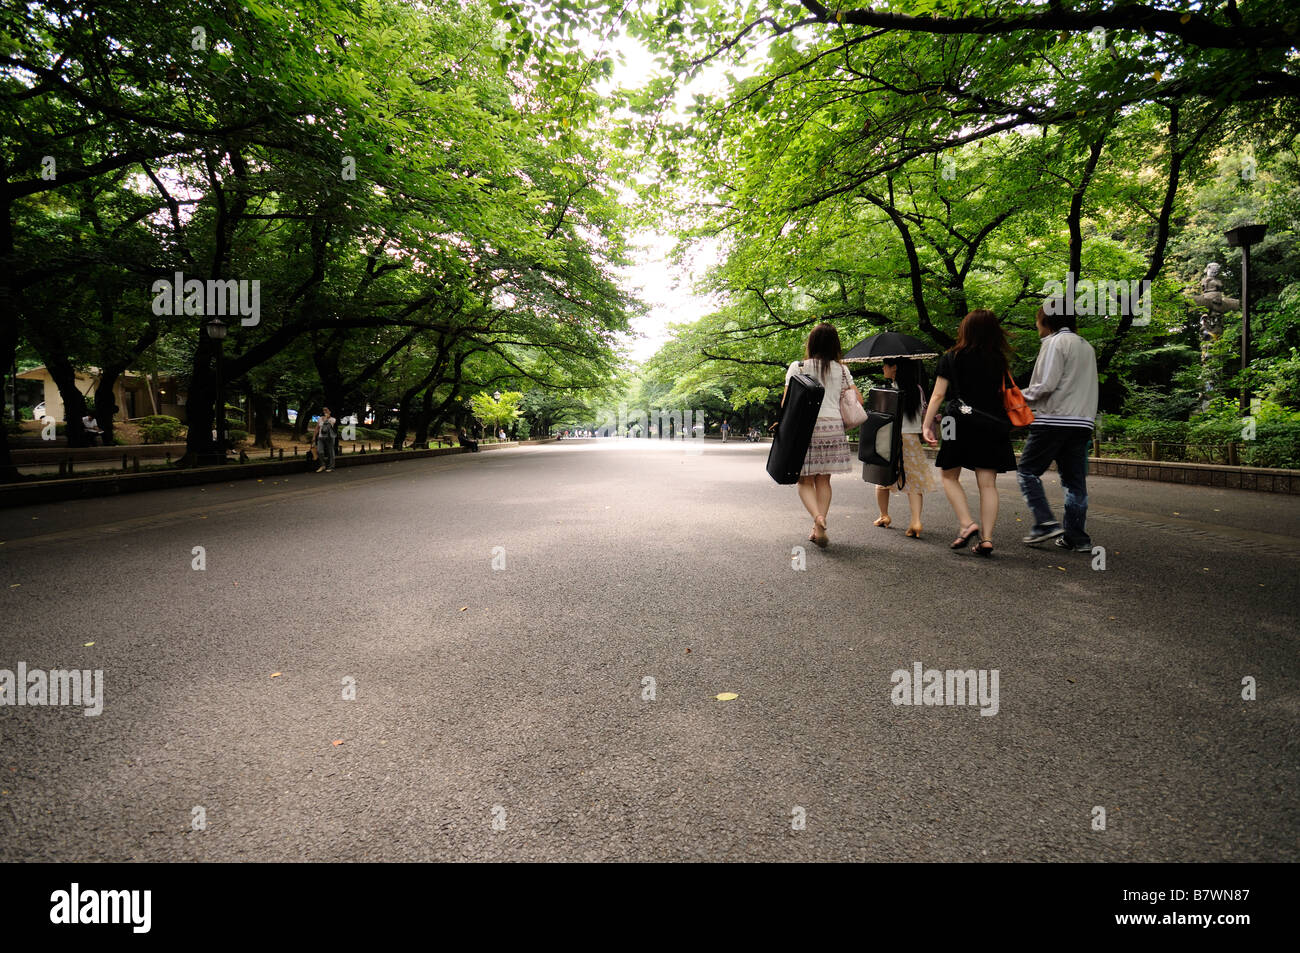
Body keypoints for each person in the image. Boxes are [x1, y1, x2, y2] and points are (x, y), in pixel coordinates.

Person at [921, 310, 1017, 556]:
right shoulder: (998, 360)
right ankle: (986, 539)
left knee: (948, 474)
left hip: (955, 421)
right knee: (988, 484)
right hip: (992, 422)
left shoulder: (951, 357)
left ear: (965, 330)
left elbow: (938, 395)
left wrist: (927, 424)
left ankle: (966, 523)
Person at [1017, 301, 1099, 552]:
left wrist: (1014, 396)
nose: (1036, 325)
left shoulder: (1054, 343)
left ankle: (1045, 522)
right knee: (1075, 483)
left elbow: (1045, 386)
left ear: (1047, 320)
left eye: (1037, 319)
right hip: (1082, 422)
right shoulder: (1086, 346)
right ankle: (1077, 538)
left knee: (1027, 472)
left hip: (1053, 420)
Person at [782, 322, 862, 548]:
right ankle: (818, 527)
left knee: (804, 480)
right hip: (834, 427)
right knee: (824, 480)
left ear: (812, 343)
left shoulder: (798, 367)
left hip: (807, 429)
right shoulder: (842, 370)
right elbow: (858, 400)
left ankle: (818, 518)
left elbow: (786, 403)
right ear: (835, 345)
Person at [872, 358, 940, 539]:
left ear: (894, 368)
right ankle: (916, 521)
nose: (883, 368)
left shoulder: (890, 391)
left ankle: (884, 515)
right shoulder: (917, 389)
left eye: (885, 365)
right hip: (911, 439)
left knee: (882, 478)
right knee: (914, 482)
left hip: (891, 439)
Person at [314, 407, 336, 472]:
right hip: (320, 437)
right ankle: (322, 465)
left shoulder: (333, 419)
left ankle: (331, 467)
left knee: (330, 452)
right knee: (319, 451)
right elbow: (317, 428)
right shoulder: (320, 419)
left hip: (329, 438)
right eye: (324, 410)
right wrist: (314, 437)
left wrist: (326, 417)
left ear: (330, 411)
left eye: (326, 410)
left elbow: (326, 425)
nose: (325, 411)